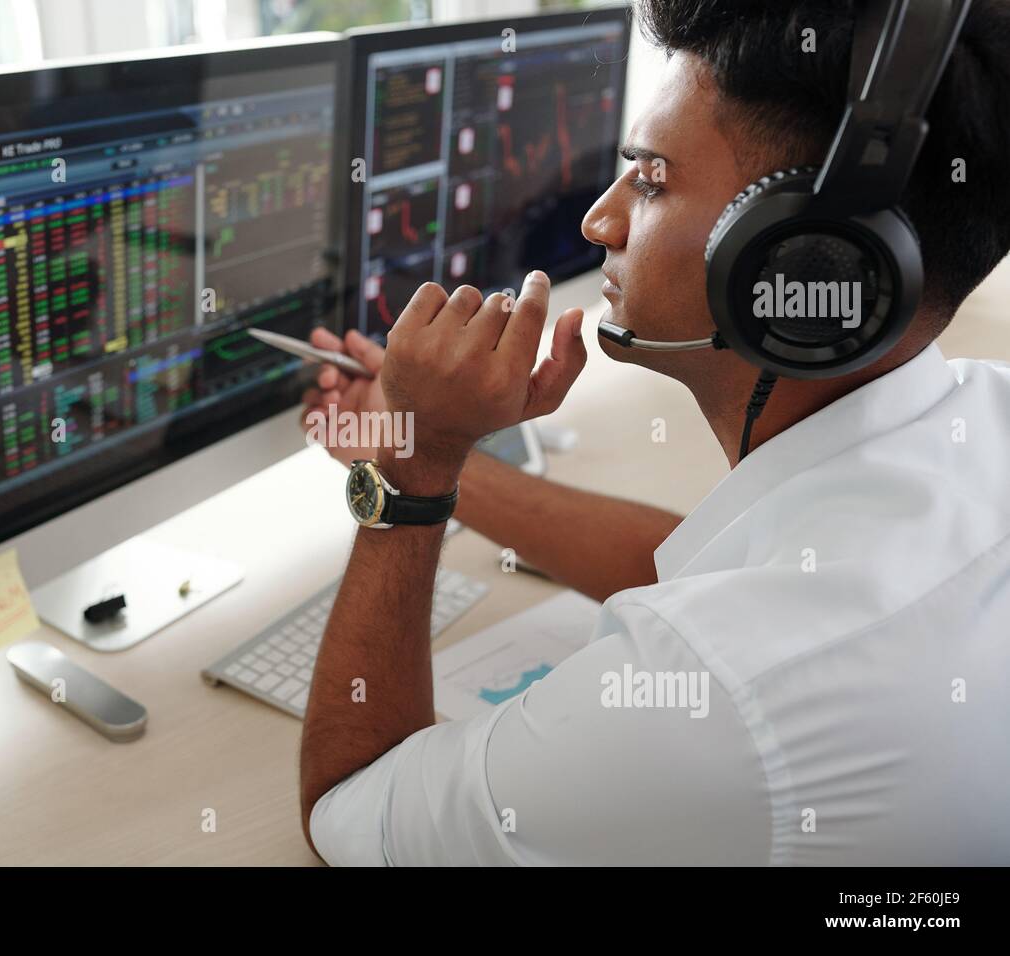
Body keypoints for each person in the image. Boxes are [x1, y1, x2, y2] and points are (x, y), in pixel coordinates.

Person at [297, 0, 1010, 865]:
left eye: (652, 178)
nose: (600, 220)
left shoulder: (718, 702)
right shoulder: (981, 421)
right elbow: (727, 572)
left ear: (800, 257)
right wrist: (431, 446)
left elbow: (349, 808)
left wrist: (407, 480)